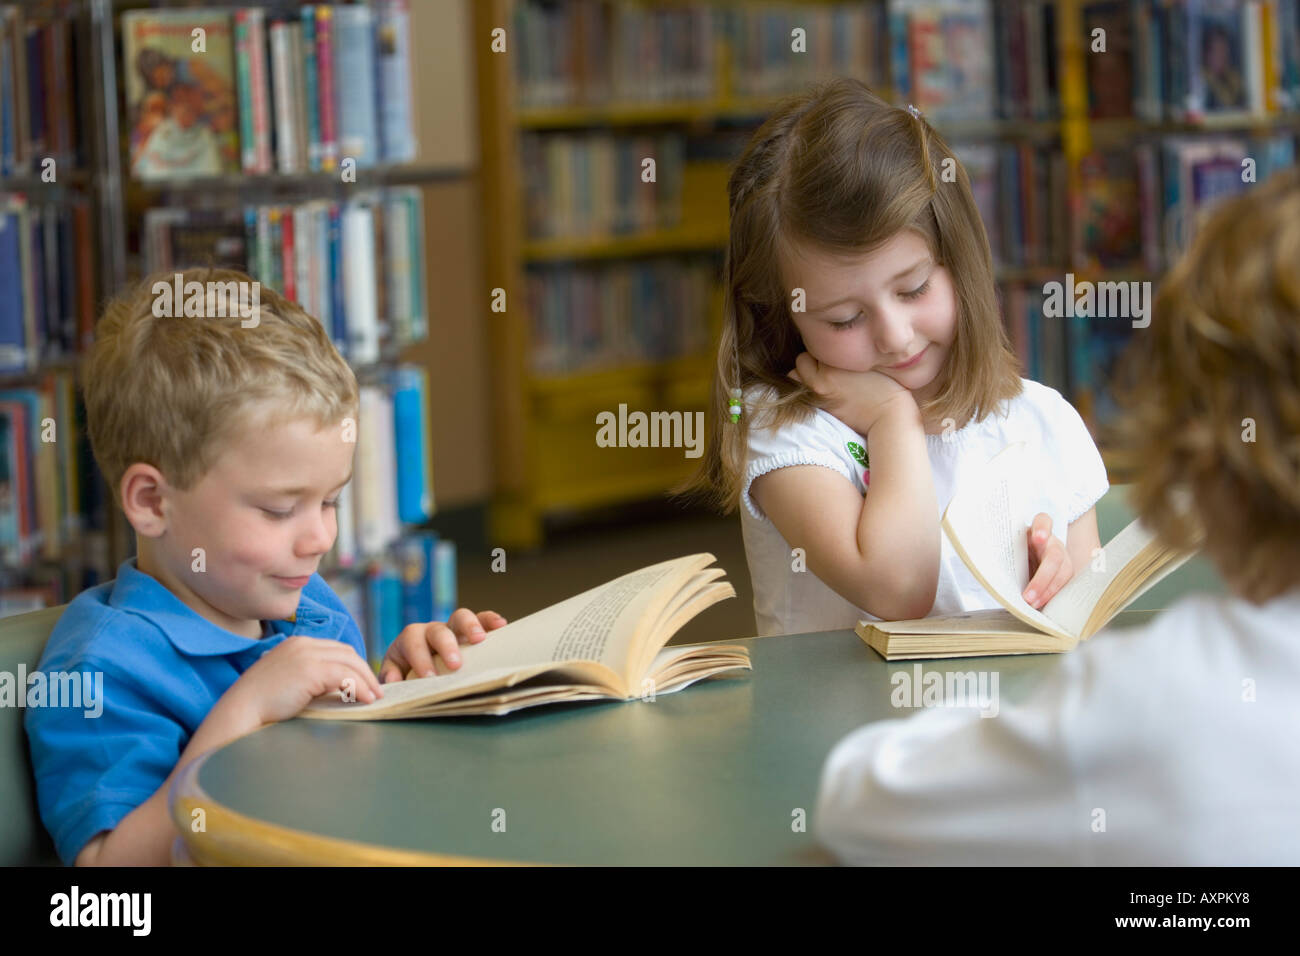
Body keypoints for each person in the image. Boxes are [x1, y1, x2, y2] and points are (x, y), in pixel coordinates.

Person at [815, 166, 1300, 864]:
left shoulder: (1162, 695)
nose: (893, 339)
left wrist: (1001, 717)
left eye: (915, 287)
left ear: (1199, 451)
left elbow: (857, 804)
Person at [25, 268, 508, 866]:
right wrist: (247, 711)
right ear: (153, 502)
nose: (319, 539)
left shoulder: (313, 609)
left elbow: (350, 791)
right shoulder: (102, 669)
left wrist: (407, 689)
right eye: (279, 510)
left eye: (330, 502)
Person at [685, 78, 1106, 636]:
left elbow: (1089, 626)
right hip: (847, 727)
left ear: (960, 261)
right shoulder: (786, 428)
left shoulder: (1043, 421)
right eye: (844, 319)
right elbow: (898, 589)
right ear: (782, 313)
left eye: (912, 290)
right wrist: (891, 420)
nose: (895, 336)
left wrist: (1059, 585)